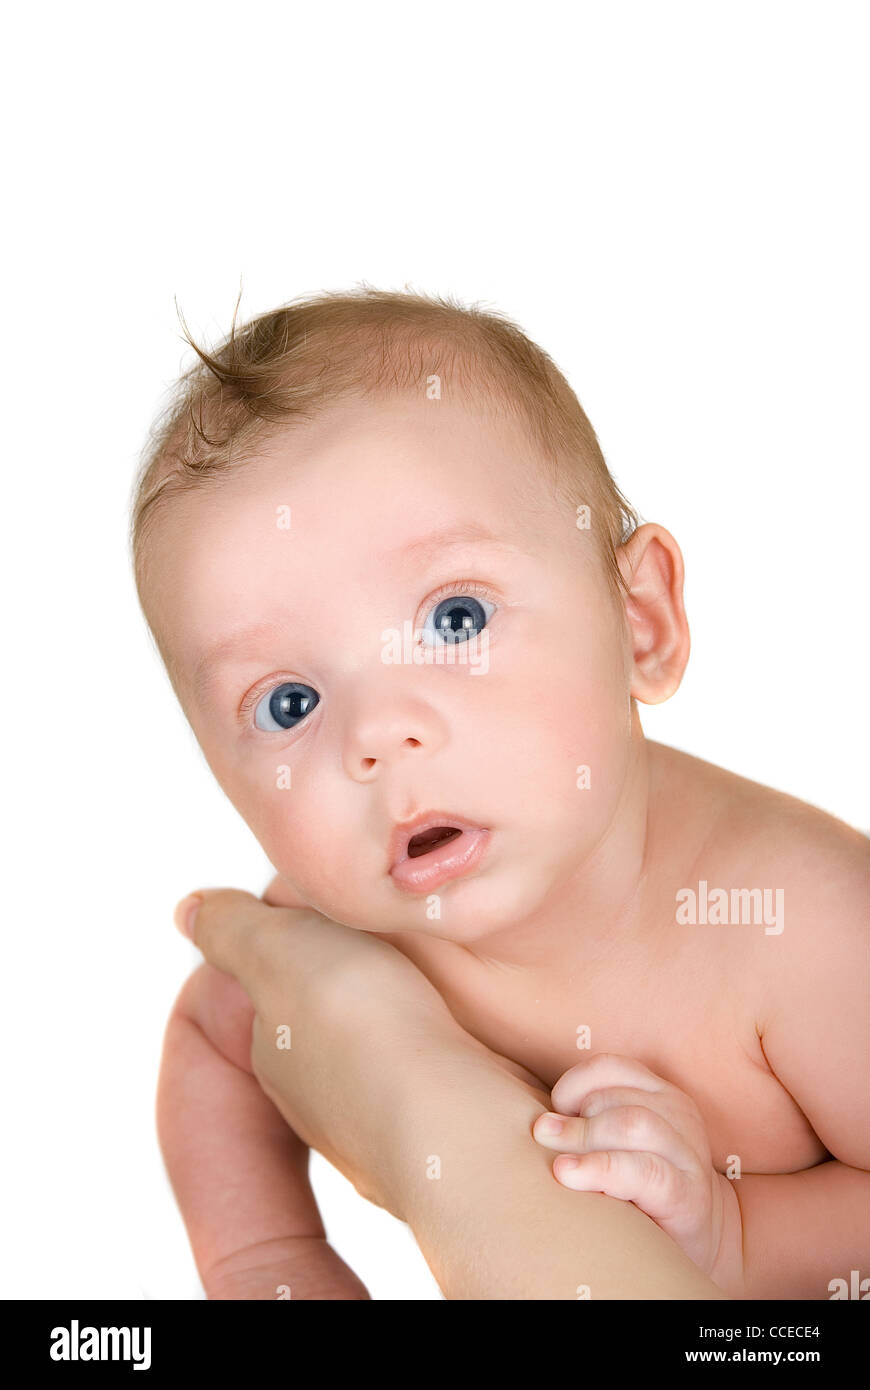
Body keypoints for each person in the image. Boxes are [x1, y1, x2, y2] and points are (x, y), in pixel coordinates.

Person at [132, 287, 869, 1299]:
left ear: (640, 622)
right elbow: (214, 1036)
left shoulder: (808, 927)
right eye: (291, 700)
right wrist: (268, 1257)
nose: (379, 735)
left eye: (456, 617)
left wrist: (740, 1234)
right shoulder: (336, 930)